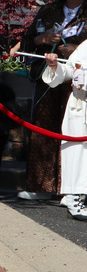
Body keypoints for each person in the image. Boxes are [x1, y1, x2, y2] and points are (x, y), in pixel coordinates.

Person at [18, 0, 87, 201]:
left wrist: (76, 49)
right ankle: (41, 186)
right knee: (44, 129)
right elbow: (26, 44)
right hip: (48, 76)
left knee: (75, 134)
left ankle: (72, 190)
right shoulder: (48, 11)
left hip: (80, 83)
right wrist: (41, 38)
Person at [43, 49, 87, 219]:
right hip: (81, 104)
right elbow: (68, 70)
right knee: (77, 152)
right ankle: (73, 197)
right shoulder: (85, 45)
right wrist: (54, 65)